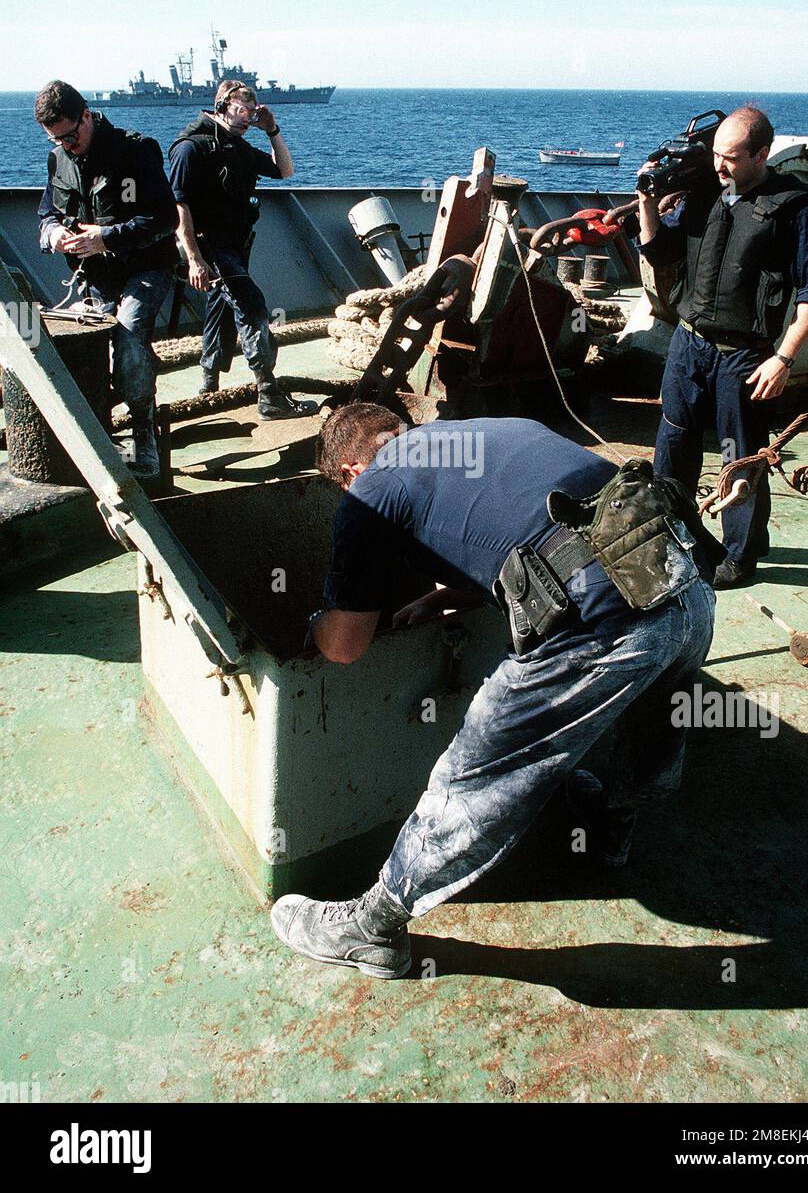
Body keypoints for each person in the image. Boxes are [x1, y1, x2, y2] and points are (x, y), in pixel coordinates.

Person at [270, 403, 719, 980]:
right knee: (653, 720)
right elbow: (532, 528)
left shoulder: (371, 490)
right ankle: (611, 828)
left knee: (476, 772)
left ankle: (374, 926)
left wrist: (315, 624)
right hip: (684, 583)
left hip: (599, 625)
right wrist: (443, 596)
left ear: (350, 472)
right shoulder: (492, 430)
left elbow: (347, 644)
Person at [637, 105, 808, 588]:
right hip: (689, 344)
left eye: (730, 158)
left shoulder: (796, 206)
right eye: (715, 156)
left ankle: (740, 556)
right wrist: (646, 202)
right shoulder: (706, 192)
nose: (719, 166)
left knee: (739, 455)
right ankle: (674, 536)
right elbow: (661, 252)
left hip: (744, 355)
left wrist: (783, 358)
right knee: (674, 442)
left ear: (762, 154)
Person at [35, 80, 178, 476]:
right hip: (95, 278)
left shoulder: (134, 152)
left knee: (129, 337)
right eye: (57, 139)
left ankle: (142, 434)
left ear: (86, 115)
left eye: (70, 135)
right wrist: (54, 235)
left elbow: (165, 217)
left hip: (145, 269)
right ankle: (100, 430)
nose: (66, 144)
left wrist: (107, 238)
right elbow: (46, 214)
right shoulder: (58, 160)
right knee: (87, 346)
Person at [167, 79, 314, 420]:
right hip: (210, 248)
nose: (248, 117)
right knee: (252, 307)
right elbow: (179, 206)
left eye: (252, 110)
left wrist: (272, 129)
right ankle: (269, 394)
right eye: (241, 110)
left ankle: (208, 384)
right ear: (221, 107)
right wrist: (194, 259)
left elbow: (284, 170)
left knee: (220, 311)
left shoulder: (237, 147)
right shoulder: (192, 147)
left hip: (235, 244)